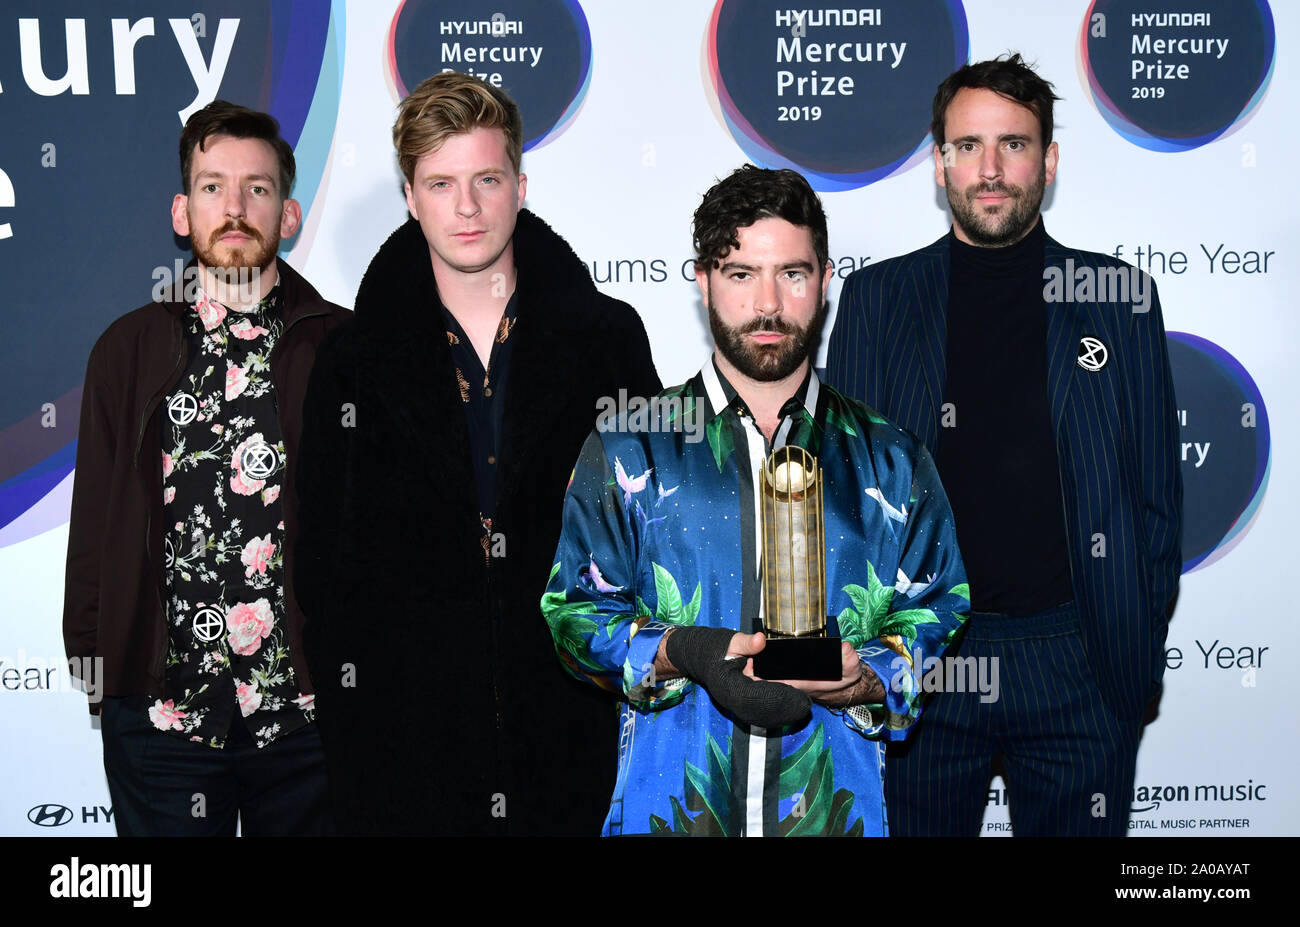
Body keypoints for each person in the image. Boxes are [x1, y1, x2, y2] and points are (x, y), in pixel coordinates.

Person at [541, 165, 968, 836]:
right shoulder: (630, 445)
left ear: (825, 281)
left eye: (792, 274)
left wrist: (866, 678)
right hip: (669, 816)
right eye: (742, 274)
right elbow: (572, 614)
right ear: (704, 279)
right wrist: (681, 649)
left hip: (835, 816)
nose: (769, 303)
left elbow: (939, 607)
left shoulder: (892, 456)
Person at [826, 54, 1183, 836]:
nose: (990, 170)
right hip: (923, 655)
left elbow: (1156, 498)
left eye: (1013, 145)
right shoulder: (879, 299)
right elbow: (844, 492)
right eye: (967, 146)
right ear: (939, 163)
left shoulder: (1118, 299)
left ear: (1048, 162)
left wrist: (1130, 636)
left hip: (1077, 660)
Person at [294, 72, 660, 835]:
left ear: (520, 185)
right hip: (408, 752)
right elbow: (322, 570)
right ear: (409, 196)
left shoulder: (607, 338)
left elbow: (657, 531)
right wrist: (358, 727)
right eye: (441, 183)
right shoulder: (351, 360)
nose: (466, 208)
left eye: (486, 179)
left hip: (577, 734)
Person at [63, 101, 349, 835]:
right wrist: (104, 681)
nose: (235, 207)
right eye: (213, 186)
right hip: (162, 724)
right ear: (182, 211)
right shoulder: (124, 351)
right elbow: (95, 528)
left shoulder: (347, 347)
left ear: (288, 213)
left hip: (310, 722)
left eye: (256, 188)